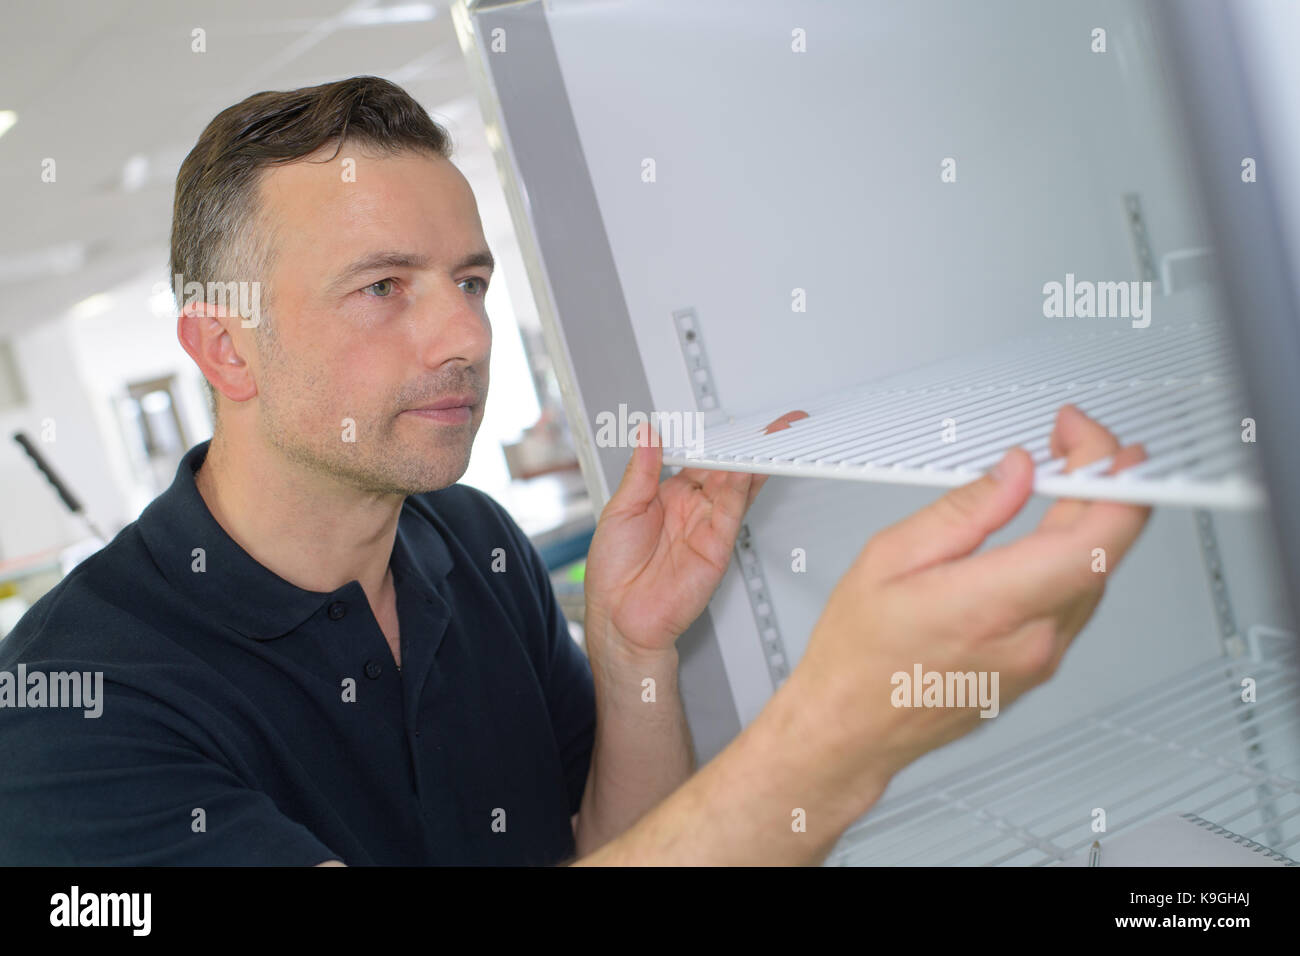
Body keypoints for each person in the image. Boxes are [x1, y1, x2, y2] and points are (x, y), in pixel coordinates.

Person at [0, 76, 1150, 866]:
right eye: (384, 286)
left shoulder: (472, 541)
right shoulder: (71, 710)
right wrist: (836, 732)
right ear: (224, 346)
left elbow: (599, 843)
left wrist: (634, 647)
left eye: (472, 281)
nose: (464, 335)